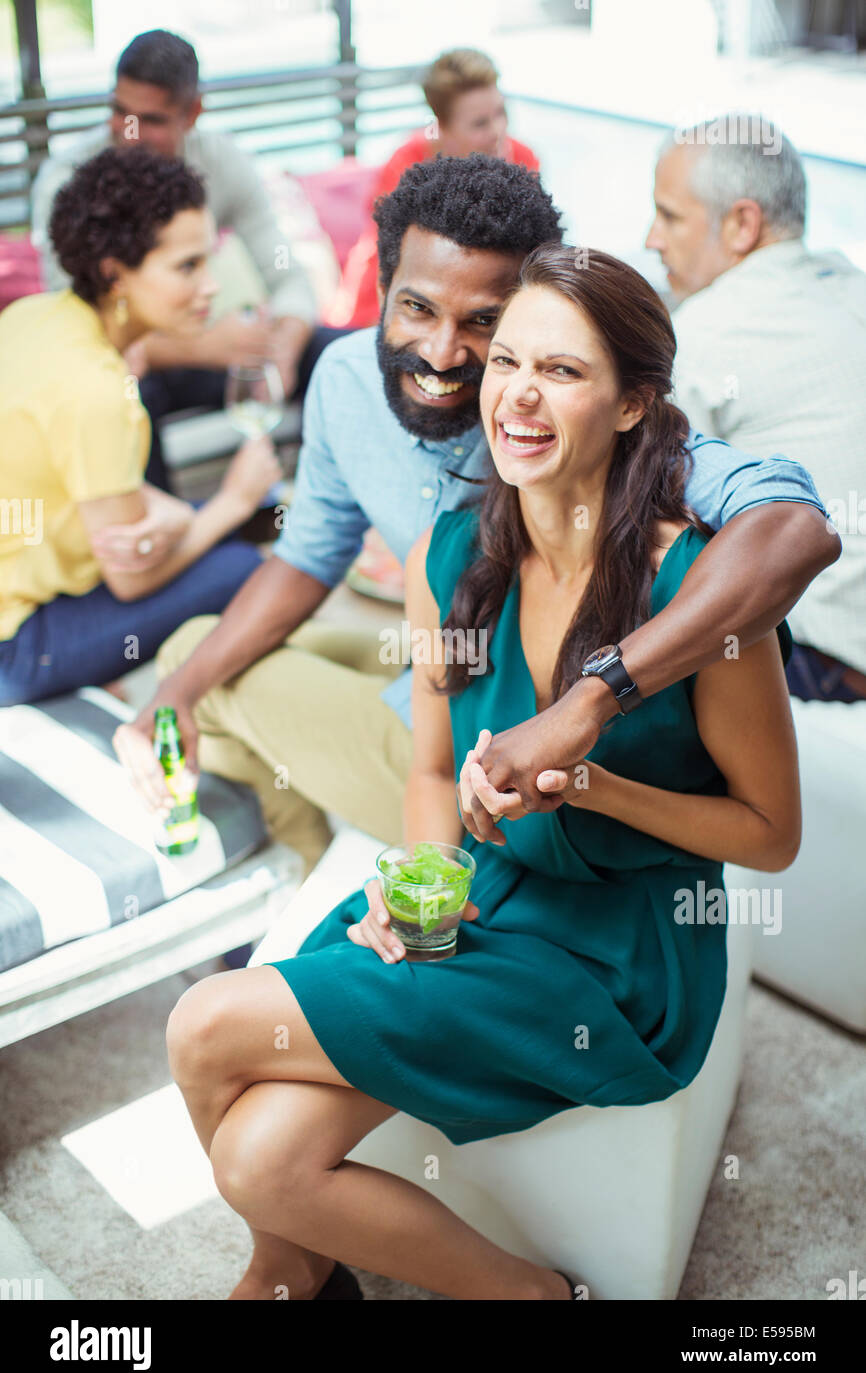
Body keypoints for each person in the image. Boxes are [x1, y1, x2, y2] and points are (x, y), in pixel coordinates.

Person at [161, 246, 801, 1301]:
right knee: (258, 1158)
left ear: (635, 402)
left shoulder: (694, 595)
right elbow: (425, 770)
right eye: (506, 361)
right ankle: (509, 1293)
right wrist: (420, 894)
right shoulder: (450, 556)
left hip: (617, 950)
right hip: (478, 900)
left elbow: (767, 833)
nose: (515, 393)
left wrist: (591, 784)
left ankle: (288, 1274)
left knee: (201, 1023)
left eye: (562, 371)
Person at [113, 154, 836, 881]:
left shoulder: (572, 422)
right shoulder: (347, 382)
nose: (440, 351)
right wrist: (172, 698)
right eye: (417, 307)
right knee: (193, 670)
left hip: (515, 752)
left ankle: (313, 874)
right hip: (447, 680)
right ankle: (307, 868)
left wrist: (586, 705)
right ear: (382, 288)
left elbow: (798, 528)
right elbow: (308, 555)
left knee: (204, 677)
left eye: (483, 324)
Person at [0, 146, 279, 706]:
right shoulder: (98, 393)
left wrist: (177, 516)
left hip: (30, 573)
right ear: (114, 274)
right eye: (187, 267)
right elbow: (131, 580)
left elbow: (73, 470)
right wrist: (233, 499)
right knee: (248, 565)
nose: (212, 287)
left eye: (207, 259)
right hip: (18, 644)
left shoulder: (33, 316)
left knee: (213, 528)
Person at [30, 28, 342, 496]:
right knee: (124, 392)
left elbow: (287, 274)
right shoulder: (68, 182)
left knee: (340, 356)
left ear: (192, 113)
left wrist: (282, 345)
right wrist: (205, 348)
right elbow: (79, 335)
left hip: (219, 351)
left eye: (151, 119)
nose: (129, 133)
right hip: (139, 360)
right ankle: (162, 545)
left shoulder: (221, 160)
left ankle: (334, 514)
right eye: (119, 111)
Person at [645, 113, 866, 704]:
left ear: (743, 223)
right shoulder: (849, 282)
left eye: (668, 215)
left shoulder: (708, 333)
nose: (651, 239)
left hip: (824, 661)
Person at [329, 47, 540, 329]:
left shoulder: (523, 158)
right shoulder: (406, 166)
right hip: (387, 299)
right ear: (442, 127)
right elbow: (393, 264)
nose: (498, 131)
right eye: (480, 123)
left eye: (501, 112)